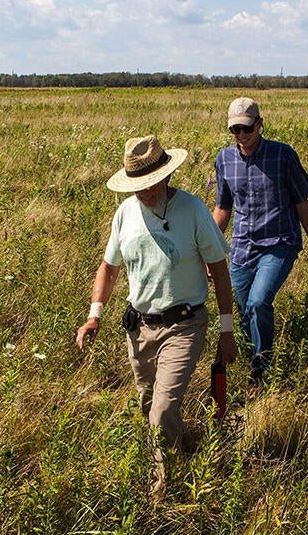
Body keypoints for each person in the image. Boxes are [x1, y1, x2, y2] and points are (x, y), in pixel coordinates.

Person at [75, 135, 238, 501]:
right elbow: (109, 268)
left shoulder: (193, 210)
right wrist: (94, 316)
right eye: (136, 185)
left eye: (148, 183)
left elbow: (220, 270)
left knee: (162, 411)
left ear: (165, 176)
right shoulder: (125, 214)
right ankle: (186, 456)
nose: (142, 191)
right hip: (140, 328)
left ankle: (162, 488)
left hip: (184, 324)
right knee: (148, 405)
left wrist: (227, 331)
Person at [213, 97, 308, 388]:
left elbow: (302, 203)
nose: (241, 135)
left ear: (260, 124)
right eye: (234, 130)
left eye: (246, 129)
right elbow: (223, 208)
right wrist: (208, 251)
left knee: (259, 302)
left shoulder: (283, 155)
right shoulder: (224, 159)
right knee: (242, 311)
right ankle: (253, 356)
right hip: (241, 247)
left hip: (279, 241)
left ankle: (260, 370)